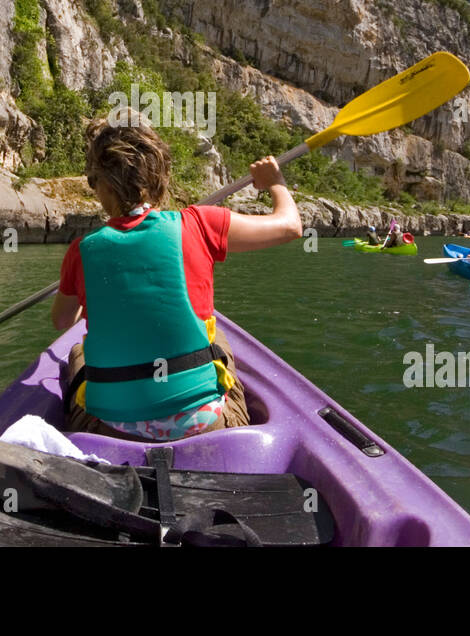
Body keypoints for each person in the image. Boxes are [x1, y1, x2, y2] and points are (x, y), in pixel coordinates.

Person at [51, 113, 302, 442]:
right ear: (160, 175)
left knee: (78, 353)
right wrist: (275, 182)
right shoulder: (199, 223)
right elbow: (290, 226)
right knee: (217, 337)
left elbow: (62, 320)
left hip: (107, 428)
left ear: (100, 184)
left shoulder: (81, 251)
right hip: (205, 427)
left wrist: (96, 294)